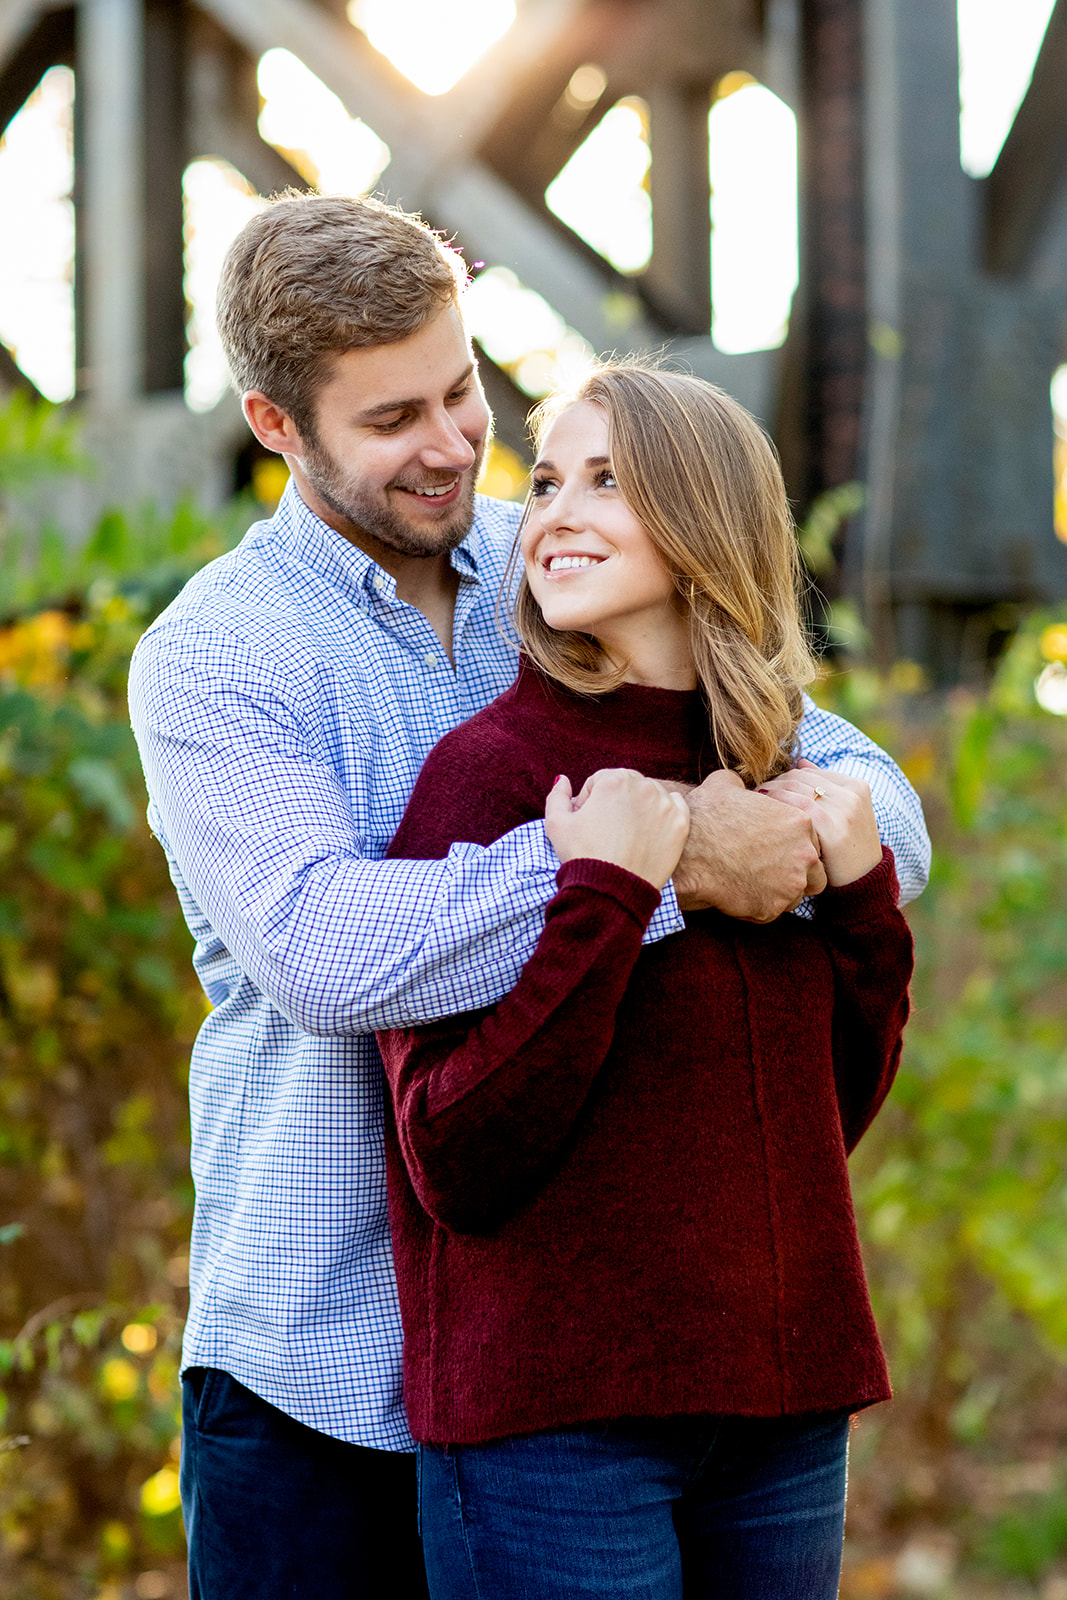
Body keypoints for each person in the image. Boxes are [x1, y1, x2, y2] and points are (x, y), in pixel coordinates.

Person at [127, 194, 929, 1599]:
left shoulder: (563, 563)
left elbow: (872, 812)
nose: (450, 444)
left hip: (573, 1345)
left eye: (462, 388)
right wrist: (655, 855)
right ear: (273, 424)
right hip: (318, 1365)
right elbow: (323, 954)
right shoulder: (217, 658)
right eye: (391, 422)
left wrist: (777, 842)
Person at [376, 364, 915, 1600]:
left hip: (779, 1394)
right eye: (548, 479)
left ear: (706, 513)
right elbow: (453, 1154)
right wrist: (607, 900)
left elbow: (825, 1115)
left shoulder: (773, 776)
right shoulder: (492, 779)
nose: (552, 512)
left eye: (606, 480)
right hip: (556, 1418)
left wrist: (861, 895)